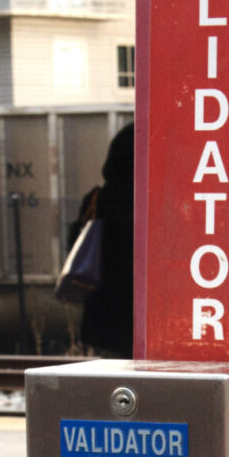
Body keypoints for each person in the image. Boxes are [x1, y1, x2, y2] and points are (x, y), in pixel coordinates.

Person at [77, 122, 135, 358]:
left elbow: (76, 246)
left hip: (106, 313)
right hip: (143, 317)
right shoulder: (155, 200)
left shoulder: (97, 199)